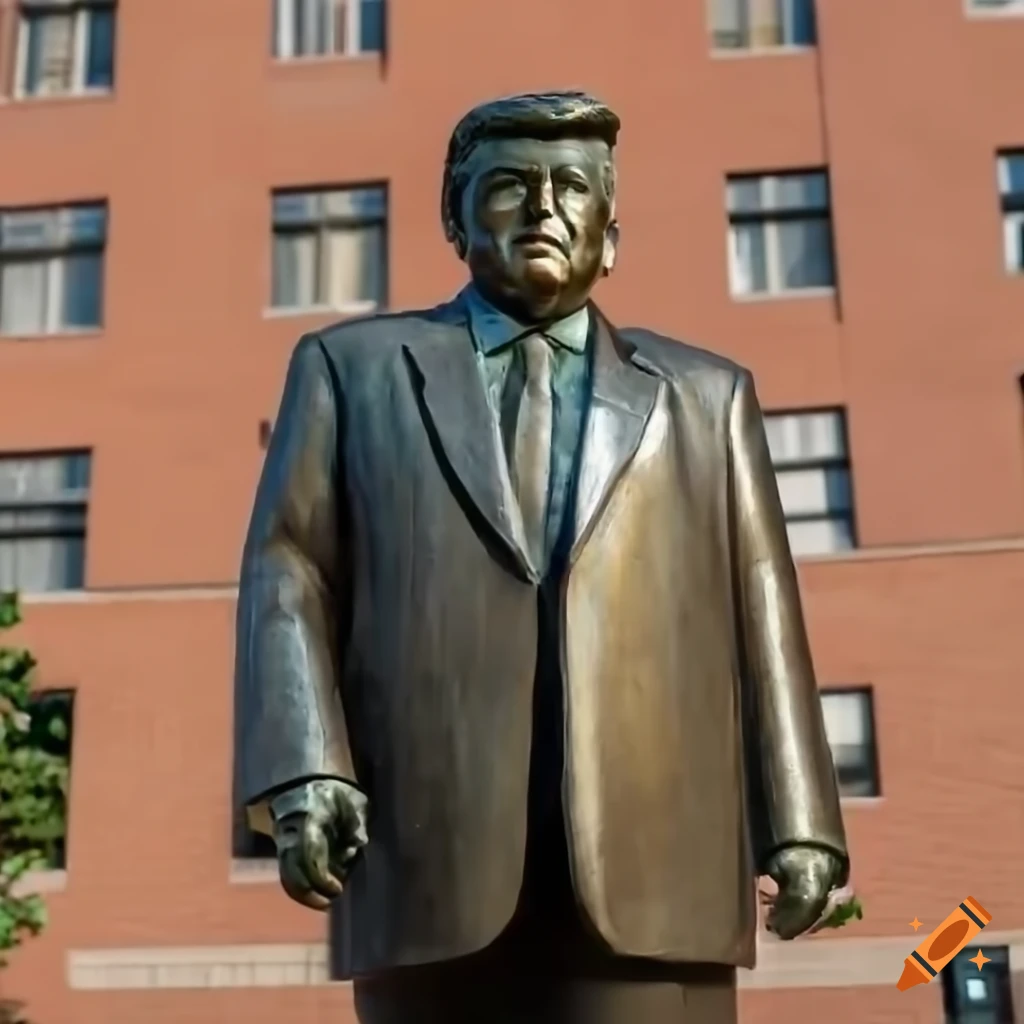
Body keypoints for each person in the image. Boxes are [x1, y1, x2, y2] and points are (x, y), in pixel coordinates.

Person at [234, 90, 850, 1024]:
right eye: (509, 186)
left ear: (612, 229)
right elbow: (290, 568)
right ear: (454, 213)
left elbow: (761, 602)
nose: (544, 208)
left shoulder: (708, 397)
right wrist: (305, 769)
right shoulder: (350, 370)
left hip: (655, 869)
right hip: (424, 854)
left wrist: (801, 817)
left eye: (572, 186)